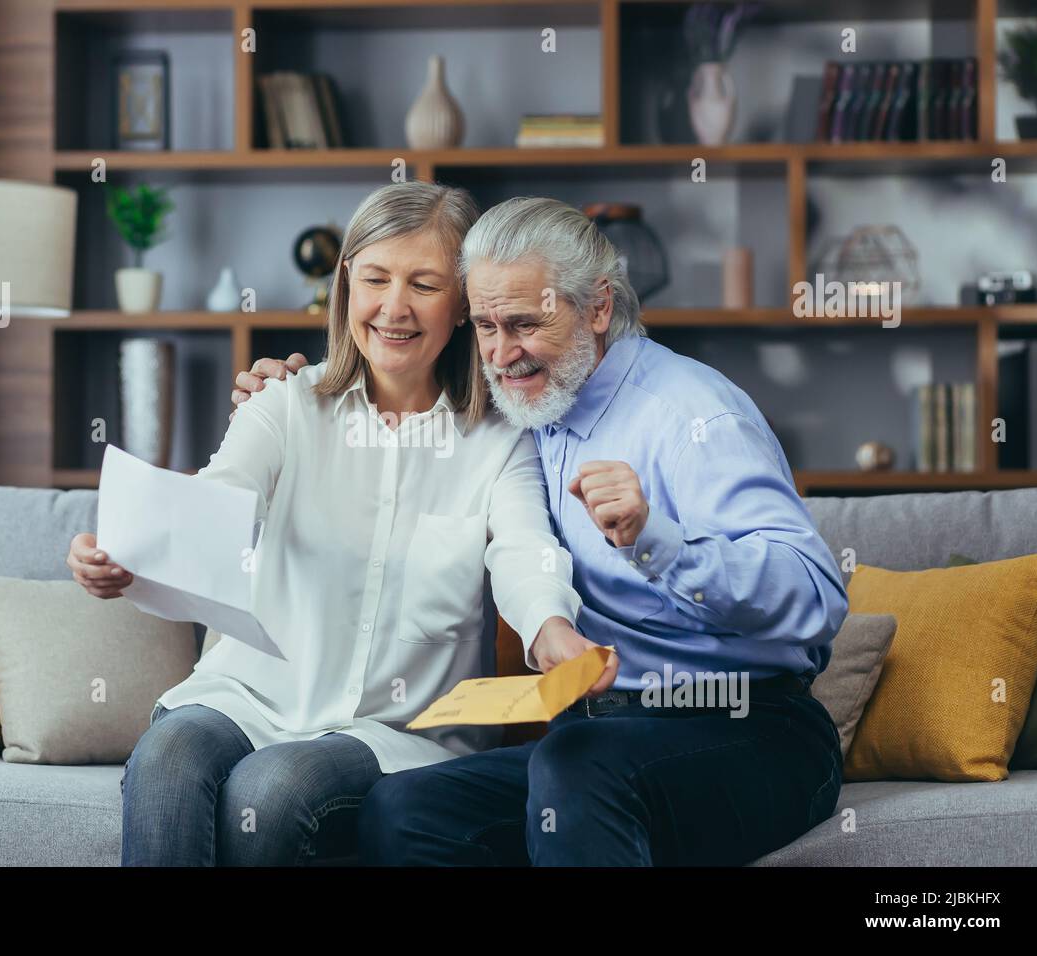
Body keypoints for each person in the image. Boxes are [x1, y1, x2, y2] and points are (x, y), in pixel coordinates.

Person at [232, 196, 850, 866]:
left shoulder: (690, 414)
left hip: (750, 728)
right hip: (600, 733)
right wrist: (298, 391)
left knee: (578, 769)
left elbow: (819, 598)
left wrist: (658, 539)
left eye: (525, 323)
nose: (502, 353)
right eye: (486, 327)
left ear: (598, 308)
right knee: (405, 809)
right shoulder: (528, 413)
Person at [66, 183, 600, 867]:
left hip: (394, 729)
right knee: (165, 758)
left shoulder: (499, 441)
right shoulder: (284, 403)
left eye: (425, 284)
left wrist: (552, 625)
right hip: (246, 695)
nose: (394, 307)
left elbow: (526, 550)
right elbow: (218, 501)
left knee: (276, 789)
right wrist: (123, 555)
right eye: (375, 278)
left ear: (463, 303)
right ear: (346, 281)